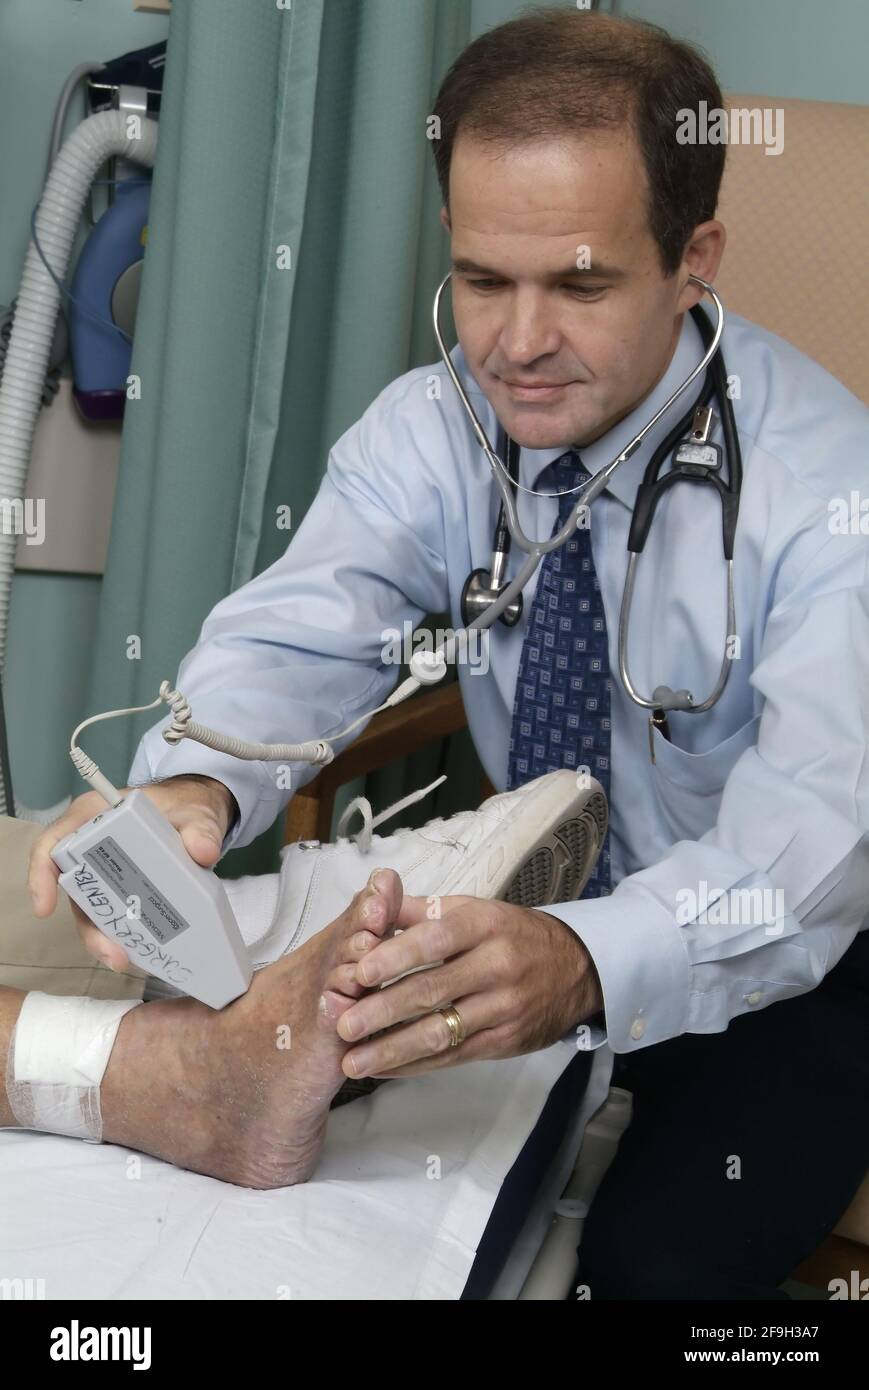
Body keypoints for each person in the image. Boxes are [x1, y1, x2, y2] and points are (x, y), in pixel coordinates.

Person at [20, 8, 869, 1297]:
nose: (518, 345)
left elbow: (803, 853)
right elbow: (302, 630)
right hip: (511, 894)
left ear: (694, 259)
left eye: (580, 284)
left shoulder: (828, 497)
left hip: (792, 957)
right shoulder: (435, 428)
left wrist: (589, 963)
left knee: (652, 1271)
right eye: (483, 279)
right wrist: (192, 789)